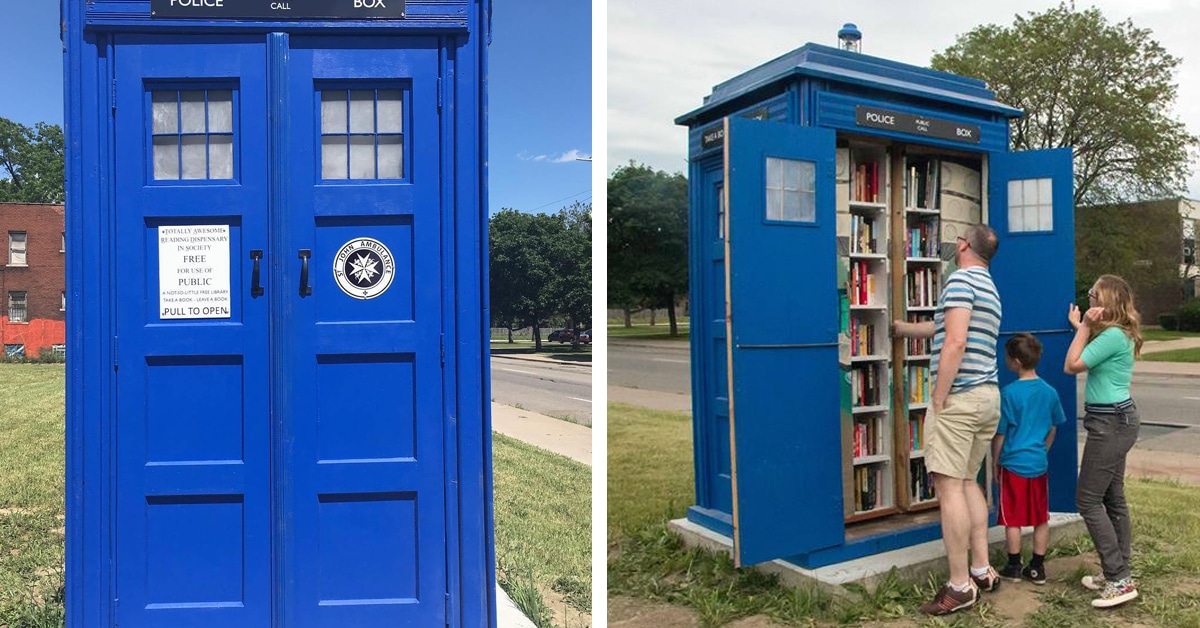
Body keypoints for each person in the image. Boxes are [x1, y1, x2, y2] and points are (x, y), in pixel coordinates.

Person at [893, 224, 1002, 616]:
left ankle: (959, 587)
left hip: (959, 399)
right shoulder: (989, 287)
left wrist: (938, 396)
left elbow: (954, 342)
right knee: (968, 480)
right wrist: (902, 329)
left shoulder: (959, 280)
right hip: (988, 397)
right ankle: (981, 568)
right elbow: (947, 328)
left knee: (948, 487)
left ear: (963, 245)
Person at [1065, 274, 1143, 608]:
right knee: (1113, 498)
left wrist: (1082, 327)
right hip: (1117, 419)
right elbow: (1092, 354)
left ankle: (1118, 579)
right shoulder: (1116, 334)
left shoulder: (1111, 335)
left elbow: (1072, 365)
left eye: (1093, 294)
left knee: (1088, 500)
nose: (1089, 298)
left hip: (1110, 422)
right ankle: (1118, 571)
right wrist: (1079, 328)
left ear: (1106, 299)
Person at [993, 333, 1066, 585]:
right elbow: (1054, 428)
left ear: (1015, 361)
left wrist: (995, 462)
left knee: (1012, 517)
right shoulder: (1050, 392)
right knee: (1040, 516)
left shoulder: (1008, 393)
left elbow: (1001, 434)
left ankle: (1013, 566)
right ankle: (1037, 567)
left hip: (1013, 464)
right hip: (1038, 464)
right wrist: (1043, 450)